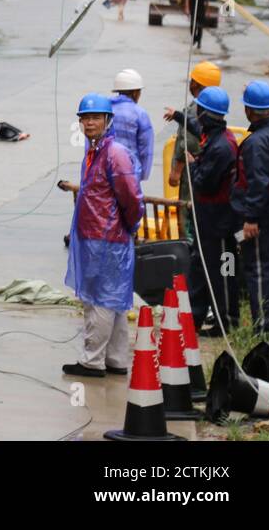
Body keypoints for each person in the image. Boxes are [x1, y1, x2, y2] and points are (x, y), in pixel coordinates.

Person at [58, 94, 145, 377]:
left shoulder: (114, 153)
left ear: (108, 120)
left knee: (99, 301)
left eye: (95, 117)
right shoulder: (94, 150)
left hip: (106, 238)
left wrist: (129, 226)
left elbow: (131, 197)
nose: (89, 122)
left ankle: (92, 360)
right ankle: (116, 359)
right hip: (96, 236)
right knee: (115, 300)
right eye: (85, 118)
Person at [183, 86, 240, 335]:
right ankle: (206, 318)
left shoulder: (220, 147)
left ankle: (221, 322)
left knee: (215, 270)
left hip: (216, 220)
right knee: (208, 267)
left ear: (205, 113)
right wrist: (177, 116)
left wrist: (193, 165)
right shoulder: (219, 137)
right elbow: (198, 130)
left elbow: (204, 182)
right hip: (214, 219)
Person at [232, 80, 269, 334]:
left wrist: (251, 218)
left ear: (249, 110)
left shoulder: (257, 142)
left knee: (260, 272)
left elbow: (259, 182)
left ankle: (264, 329)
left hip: (261, 219)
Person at [164, 60, 222, 190]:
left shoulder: (195, 108)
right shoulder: (213, 105)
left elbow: (188, 142)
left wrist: (176, 171)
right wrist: (177, 115)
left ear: (196, 83)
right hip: (205, 166)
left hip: (190, 168)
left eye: (192, 80)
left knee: (188, 205)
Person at [110, 69, 154, 183]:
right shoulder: (140, 113)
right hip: (130, 174)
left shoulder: (105, 110)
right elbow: (146, 148)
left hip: (106, 172)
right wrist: (143, 174)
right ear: (135, 93)